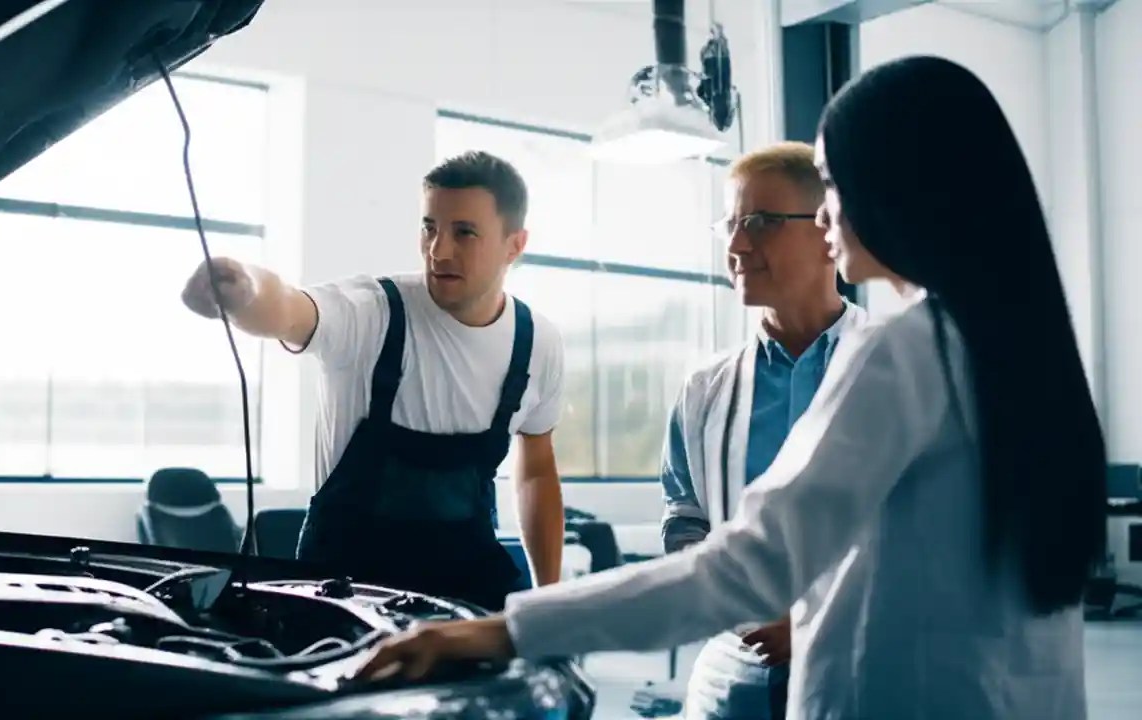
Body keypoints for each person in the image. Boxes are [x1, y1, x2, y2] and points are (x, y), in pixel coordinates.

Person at [354, 56, 1107, 720]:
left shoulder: (907, 349)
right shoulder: (1015, 346)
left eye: (834, 183)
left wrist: (501, 628)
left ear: (896, 187)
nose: (826, 210)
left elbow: (751, 564)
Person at [180, 150, 567, 611]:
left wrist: (551, 599)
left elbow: (537, 470)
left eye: (464, 232)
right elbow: (287, 308)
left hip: (462, 600)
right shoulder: (372, 312)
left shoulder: (537, 342)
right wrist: (241, 288)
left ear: (514, 245)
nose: (438, 250)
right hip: (346, 602)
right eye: (429, 228)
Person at [659, 141, 867, 719]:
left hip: (861, 666)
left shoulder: (895, 365)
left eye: (760, 222)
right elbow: (686, 517)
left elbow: (923, 536)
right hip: (733, 678)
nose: (736, 245)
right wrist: (736, 600)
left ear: (827, 227)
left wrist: (815, 617)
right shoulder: (705, 388)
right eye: (730, 224)